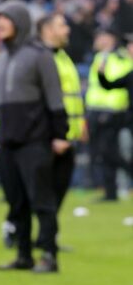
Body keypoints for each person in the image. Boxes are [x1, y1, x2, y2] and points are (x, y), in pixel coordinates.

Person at [0, 0, 68, 274]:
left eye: (5, 18)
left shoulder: (40, 55)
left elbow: (55, 99)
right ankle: (24, 255)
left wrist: (60, 135)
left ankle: (49, 254)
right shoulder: (0, 58)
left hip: (35, 141)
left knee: (42, 201)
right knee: (17, 201)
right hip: (8, 142)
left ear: (20, 22)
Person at [38, 13, 85, 215]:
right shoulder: (41, 58)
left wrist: (81, 124)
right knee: (43, 191)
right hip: (51, 136)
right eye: (62, 25)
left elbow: (72, 96)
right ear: (48, 30)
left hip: (68, 135)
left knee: (59, 189)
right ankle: (20, 229)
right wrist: (54, 134)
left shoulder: (63, 57)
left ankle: (48, 237)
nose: (67, 29)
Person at [85, 28, 132, 201]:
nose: (97, 39)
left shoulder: (121, 57)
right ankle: (109, 192)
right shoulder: (99, 57)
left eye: (100, 36)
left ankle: (115, 187)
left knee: (109, 152)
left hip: (112, 111)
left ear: (110, 38)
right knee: (103, 153)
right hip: (95, 110)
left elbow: (121, 83)